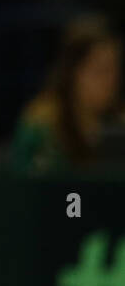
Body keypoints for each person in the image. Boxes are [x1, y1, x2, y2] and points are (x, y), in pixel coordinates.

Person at [11, 14, 123, 175]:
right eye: (101, 71)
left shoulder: (120, 121)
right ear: (73, 73)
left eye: (116, 72)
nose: (111, 82)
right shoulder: (41, 122)